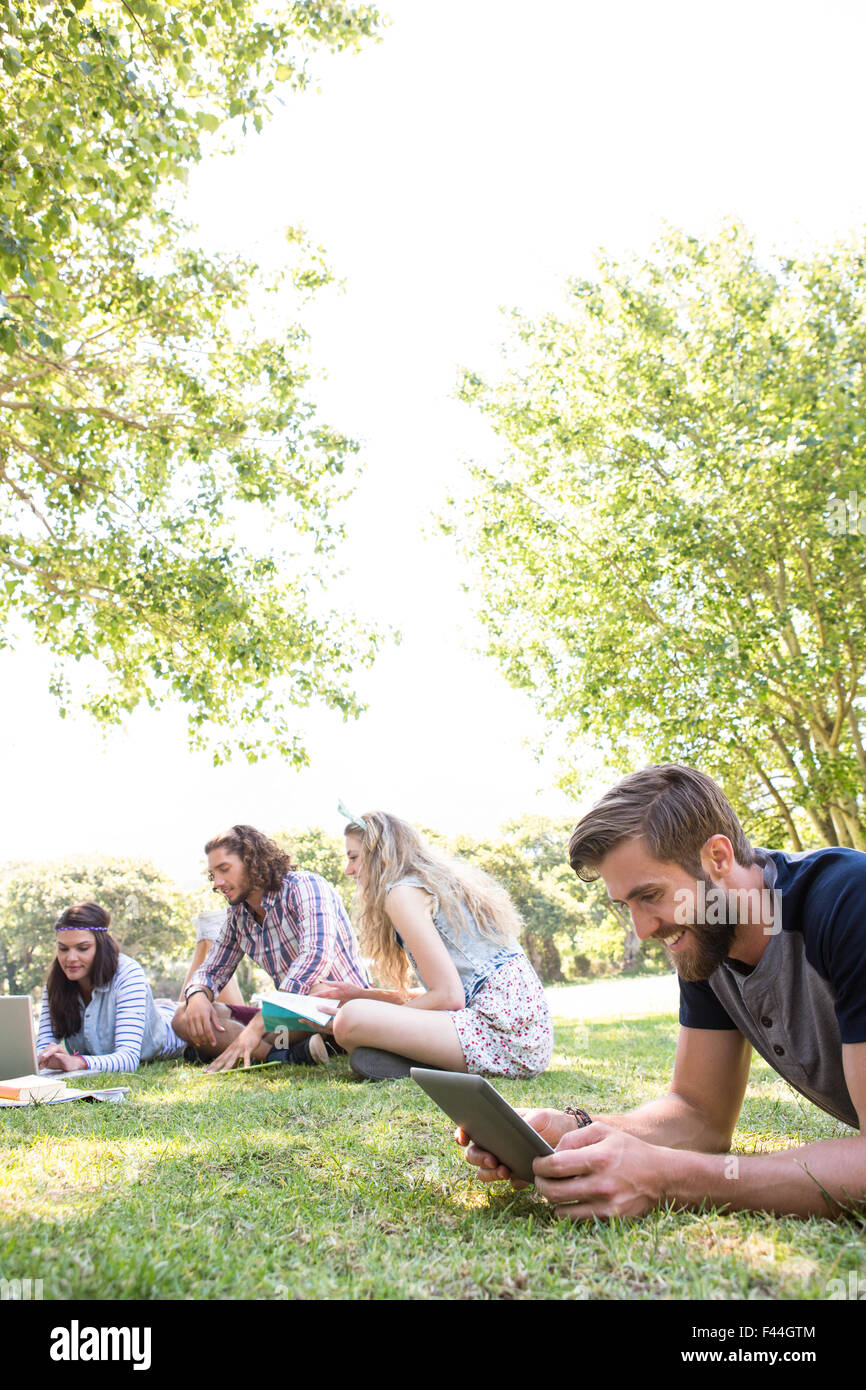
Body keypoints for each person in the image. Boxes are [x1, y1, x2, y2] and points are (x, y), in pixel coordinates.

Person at [459, 764, 866, 1220]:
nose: (643, 928)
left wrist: (667, 1178)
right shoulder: (708, 934)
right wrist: (574, 1131)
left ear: (717, 857)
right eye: (627, 905)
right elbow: (699, 1117)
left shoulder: (850, 902)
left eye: (650, 894)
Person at [309, 810, 554, 1081]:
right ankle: (425, 1064)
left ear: (379, 853)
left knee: (349, 1021)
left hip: (501, 1035)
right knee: (359, 1013)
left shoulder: (401, 893)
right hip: (528, 1041)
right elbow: (453, 995)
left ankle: (423, 1063)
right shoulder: (427, 886)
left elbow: (449, 998)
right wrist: (365, 996)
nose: (348, 870)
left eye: (353, 857)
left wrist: (374, 1020)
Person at [172, 824, 369, 1071]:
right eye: (213, 874)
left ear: (251, 861)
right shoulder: (238, 915)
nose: (217, 883)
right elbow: (211, 970)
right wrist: (198, 994)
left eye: (224, 869)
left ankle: (249, 1046)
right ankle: (278, 1056)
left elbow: (315, 957)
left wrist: (257, 1026)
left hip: (334, 1008)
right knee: (183, 1018)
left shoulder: (305, 886)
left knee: (316, 990)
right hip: (286, 1020)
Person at [37, 902, 186, 1074]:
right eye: (63, 949)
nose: (70, 958)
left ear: (101, 946)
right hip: (146, 1009)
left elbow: (128, 1059)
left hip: (174, 1026)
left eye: (82, 948)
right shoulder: (56, 981)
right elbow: (42, 1048)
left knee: (207, 1012)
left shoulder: (127, 972)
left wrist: (78, 1062)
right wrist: (46, 1058)